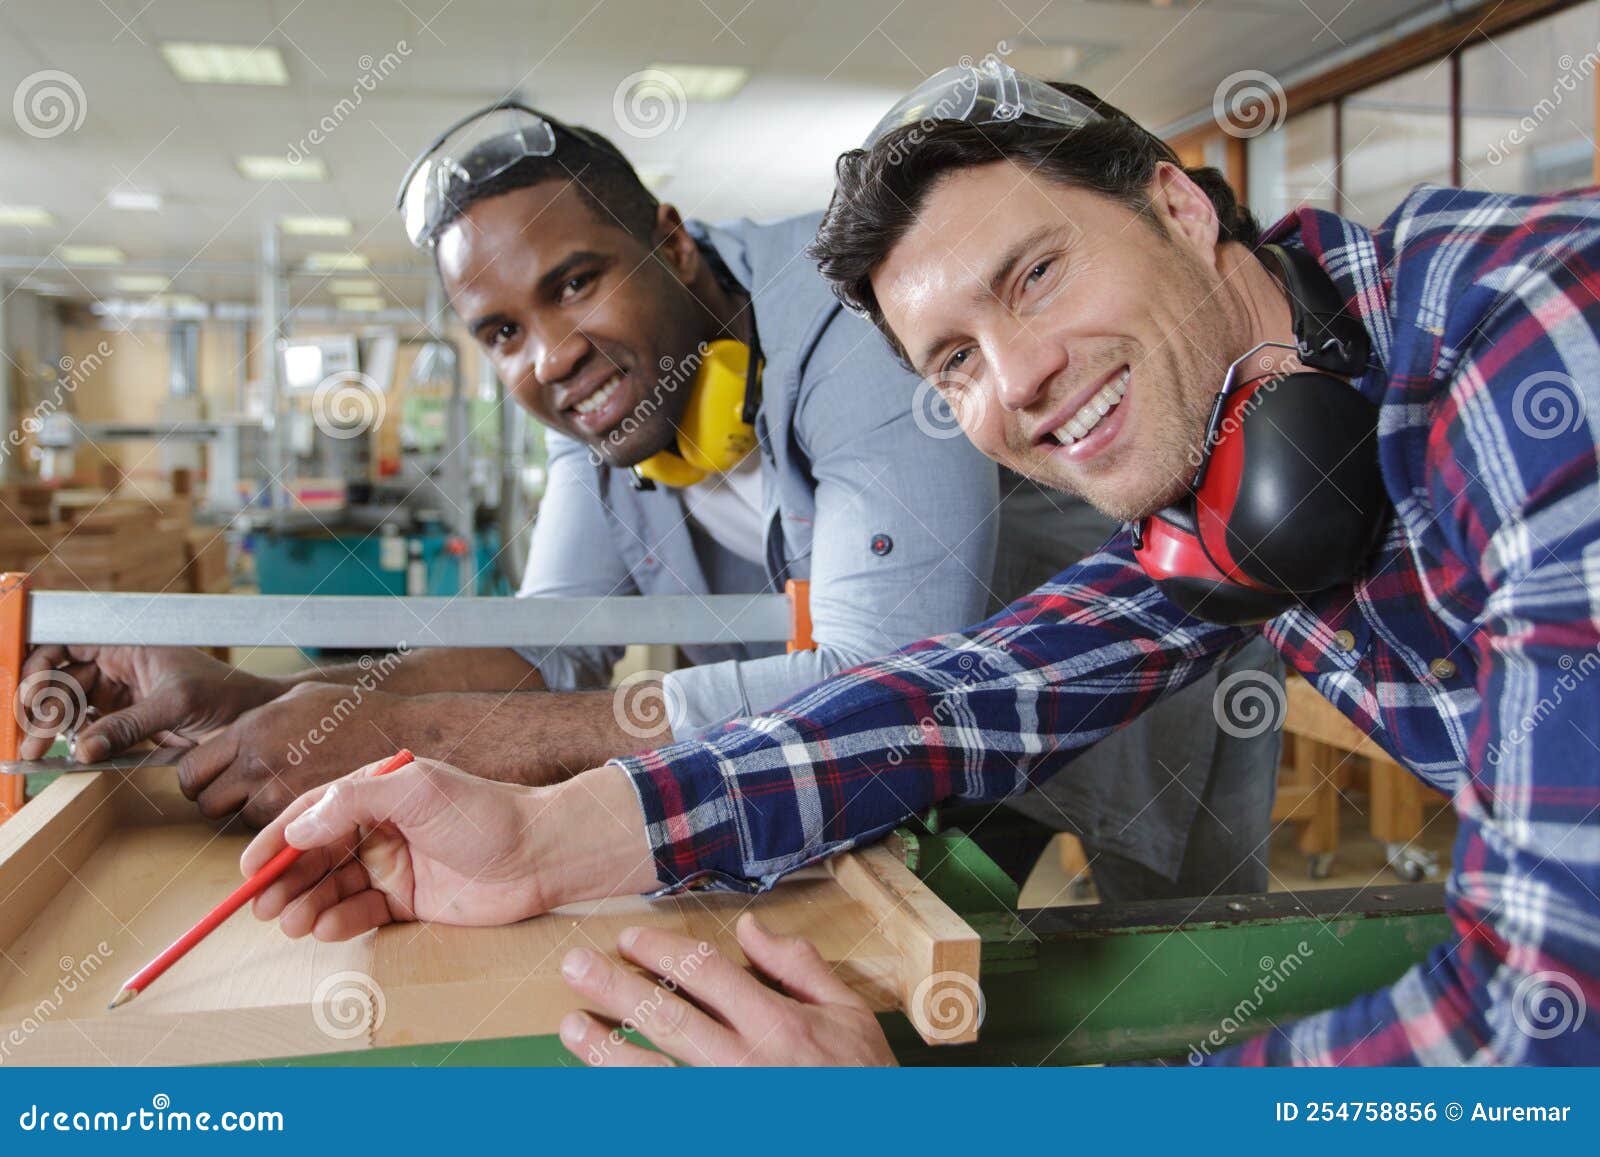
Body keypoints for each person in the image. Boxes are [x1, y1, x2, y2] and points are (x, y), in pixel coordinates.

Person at [241, 59, 1600, 1066]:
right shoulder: (1233, 436)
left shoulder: (1537, 348)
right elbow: (963, 695)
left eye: (1037, 275)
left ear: (1179, 208)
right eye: (952, 360)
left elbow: (1535, 1033)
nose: (1020, 386)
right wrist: (553, 836)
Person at [17, 100, 1281, 908]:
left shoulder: (848, 321)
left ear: (670, 244)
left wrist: (423, 730)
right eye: (501, 331)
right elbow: (538, 646)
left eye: (576, 283)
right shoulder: (611, 408)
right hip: (895, 751)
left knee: (1182, 972)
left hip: (1135, 683)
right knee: (933, 970)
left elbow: (882, 671)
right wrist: (254, 697)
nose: (549, 354)